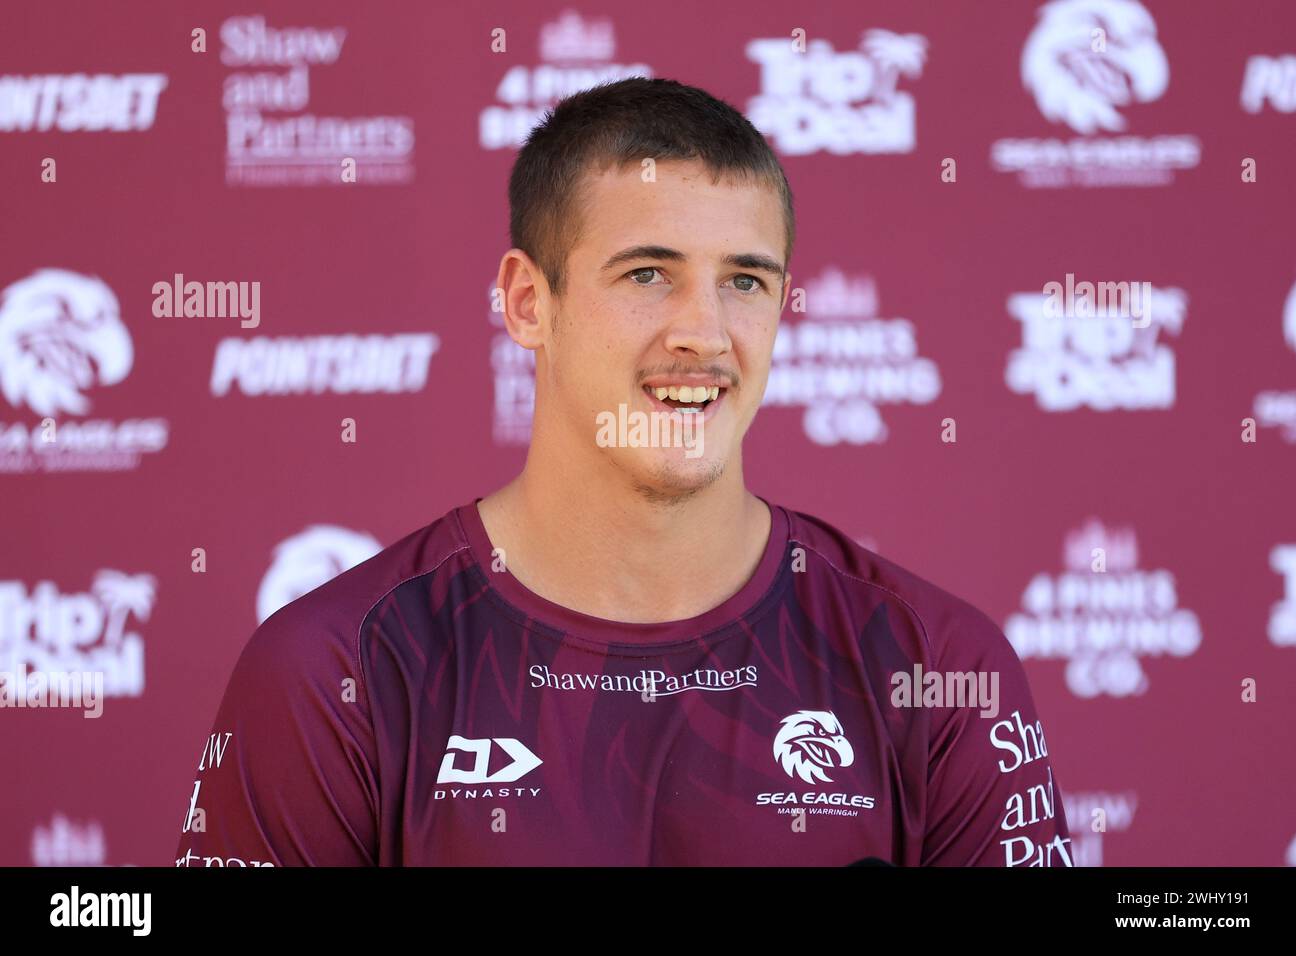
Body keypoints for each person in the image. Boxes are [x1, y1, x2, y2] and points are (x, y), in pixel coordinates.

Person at [173, 77, 1073, 867]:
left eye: (746, 281)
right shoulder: (341, 669)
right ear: (530, 303)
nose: (706, 333)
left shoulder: (933, 661)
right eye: (649, 273)